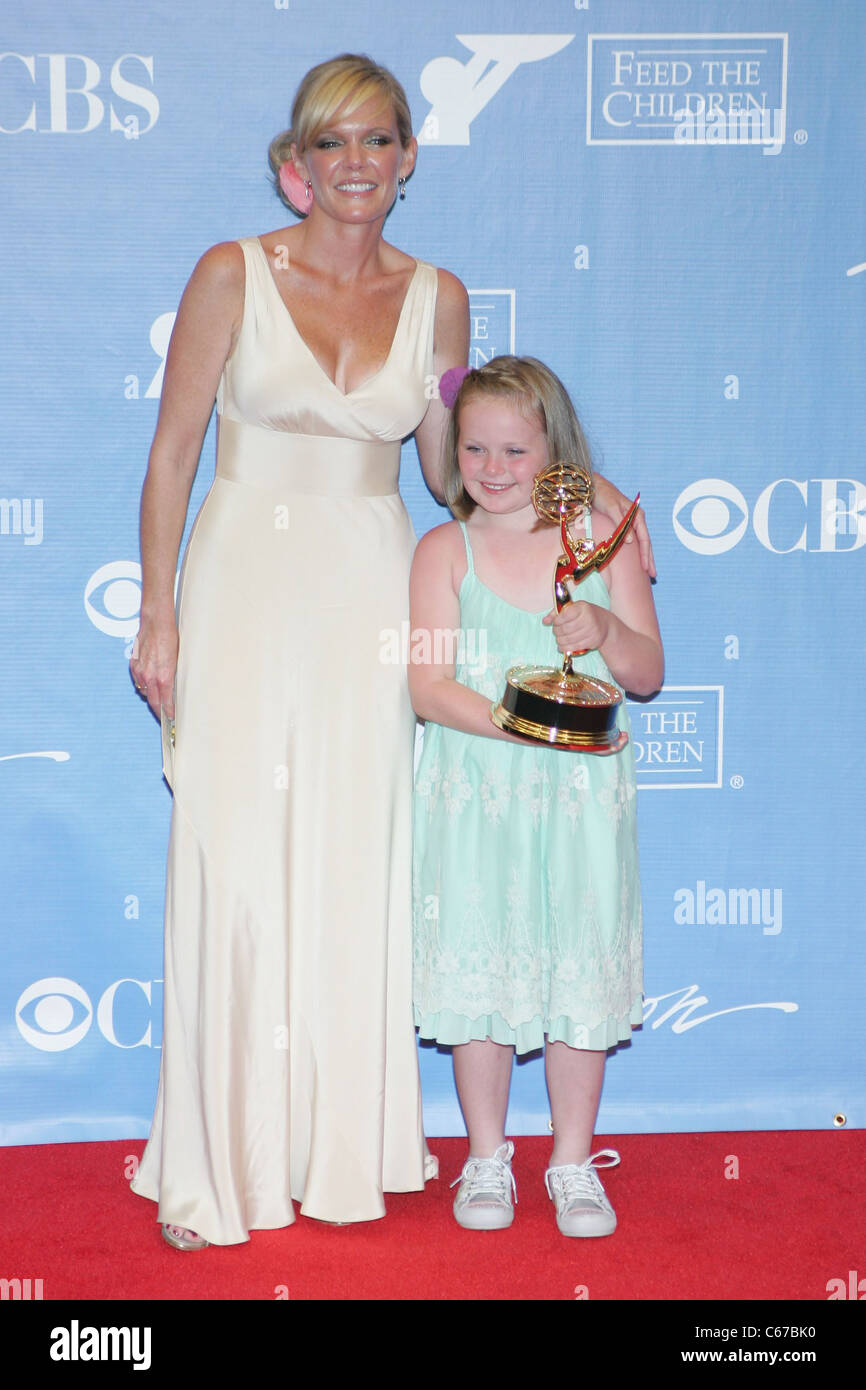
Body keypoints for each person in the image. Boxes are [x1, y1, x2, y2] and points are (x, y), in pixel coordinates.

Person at [128, 54, 470, 1248]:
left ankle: (340, 1149)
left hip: (368, 583)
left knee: (346, 848)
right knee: (232, 850)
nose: (356, 164)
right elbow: (171, 455)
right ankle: (218, 1158)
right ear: (295, 166)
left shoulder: (443, 301)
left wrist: (542, 500)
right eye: (331, 144)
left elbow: (442, 467)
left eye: (377, 140)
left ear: (409, 157)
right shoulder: (230, 273)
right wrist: (158, 613)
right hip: (241, 580)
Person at [409, 357, 663, 1237]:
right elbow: (427, 687)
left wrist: (608, 628)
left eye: (516, 448)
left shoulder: (602, 541)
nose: (492, 466)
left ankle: (570, 1158)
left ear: (556, 451)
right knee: (481, 966)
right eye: (474, 446)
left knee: (577, 970)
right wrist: (530, 726)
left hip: (578, 806)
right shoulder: (446, 549)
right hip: (474, 796)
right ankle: (485, 1156)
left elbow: (647, 673)